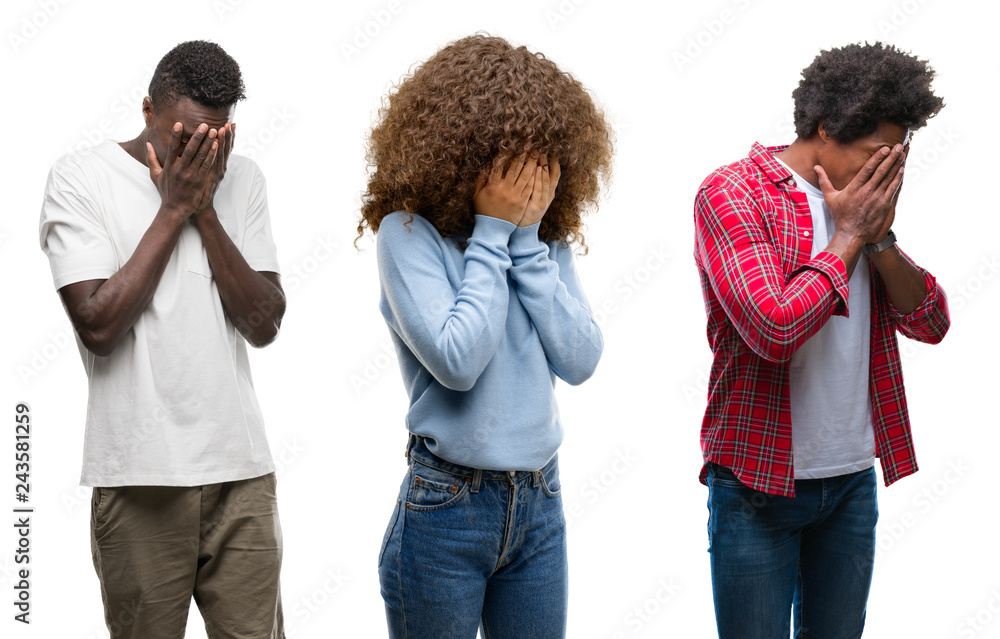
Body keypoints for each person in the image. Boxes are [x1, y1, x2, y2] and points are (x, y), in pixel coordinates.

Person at [358, 34, 613, 638]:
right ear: (465, 150)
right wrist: (494, 234)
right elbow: (458, 360)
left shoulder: (542, 243)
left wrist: (524, 242)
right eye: (515, 159)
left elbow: (581, 360)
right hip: (446, 507)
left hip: (539, 502)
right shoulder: (408, 234)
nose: (531, 179)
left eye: (543, 159)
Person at [693, 42, 949, 638]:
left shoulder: (863, 210)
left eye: (897, 158)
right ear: (825, 128)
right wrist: (850, 235)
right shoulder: (734, 193)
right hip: (757, 485)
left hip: (852, 483)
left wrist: (879, 241)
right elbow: (773, 327)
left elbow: (931, 323)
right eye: (872, 155)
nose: (886, 173)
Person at [39, 40, 286, 638]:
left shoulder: (243, 178)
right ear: (148, 108)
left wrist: (205, 210)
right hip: (139, 477)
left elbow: (263, 325)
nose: (203, 151)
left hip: (241, 476)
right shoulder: (80, 177)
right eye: (187, 137)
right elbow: (98, 325)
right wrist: (174, 209)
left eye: (217, 137)